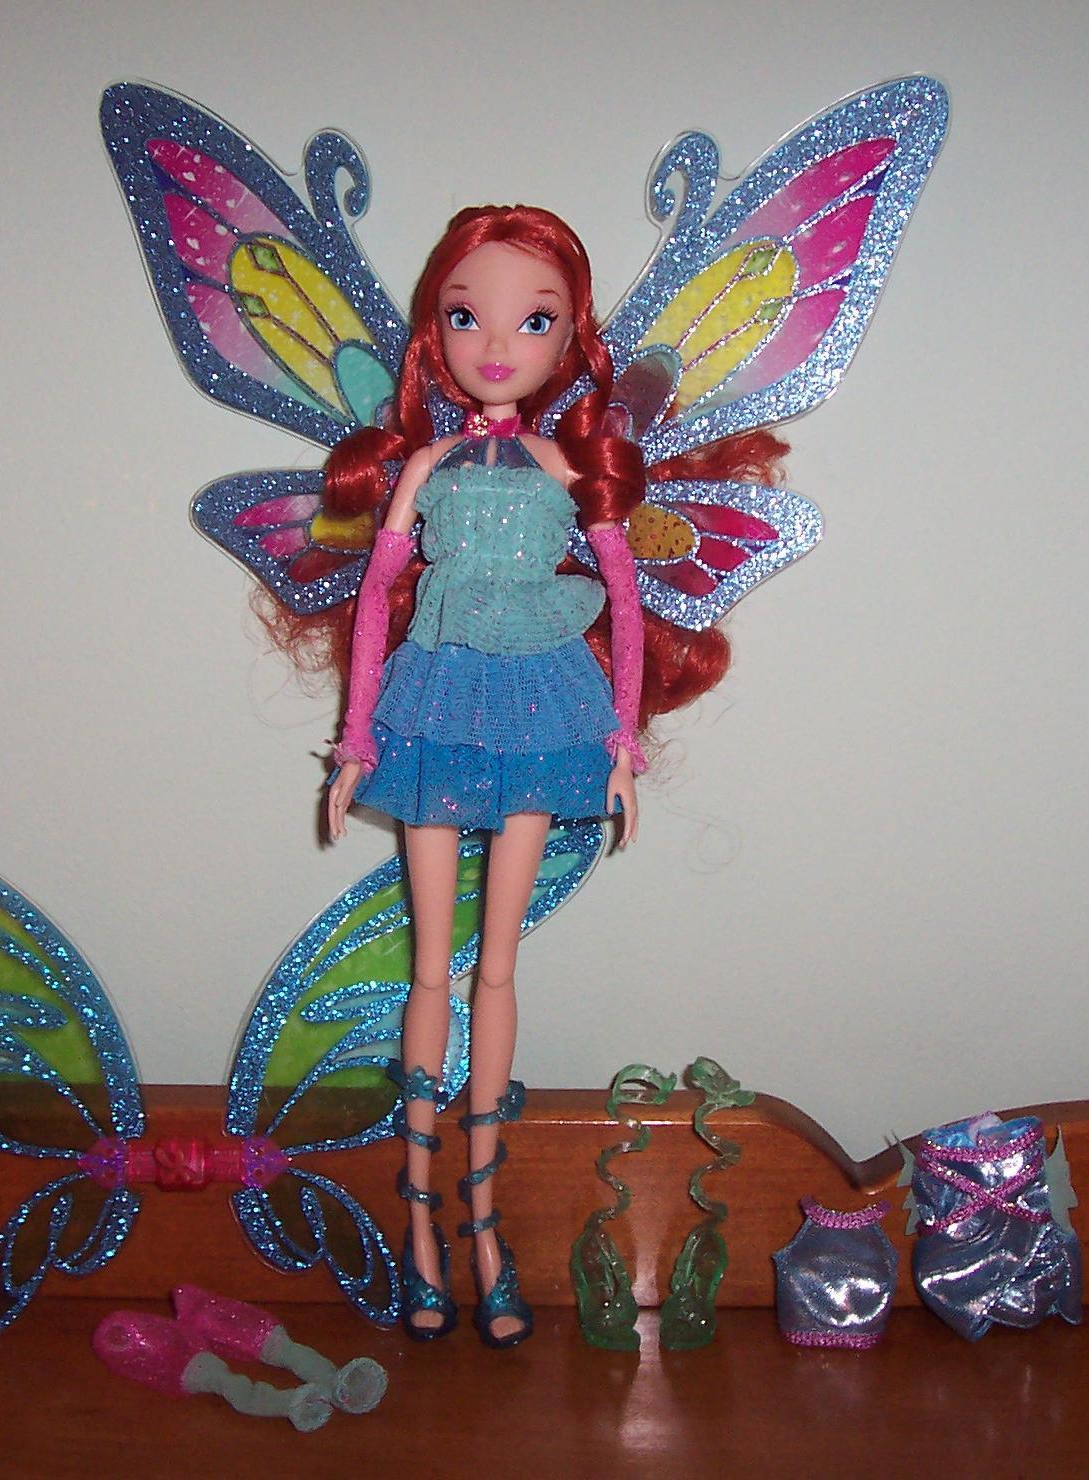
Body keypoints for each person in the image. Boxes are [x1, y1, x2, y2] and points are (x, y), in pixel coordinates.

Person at [323, 205, 647, 1347]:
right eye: (469, 317)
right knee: (433, 966)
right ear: (436, 333)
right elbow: (375, 602)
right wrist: (355, 741)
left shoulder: (568, 466)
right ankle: (420, 1228)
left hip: (541, 705)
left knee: (497, 969)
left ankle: (486, 1229)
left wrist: (622, 743)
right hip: (432, 703)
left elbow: (625, 603)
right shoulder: (427, 465)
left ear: (570, 340)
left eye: (534, 320)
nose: (499, 342)